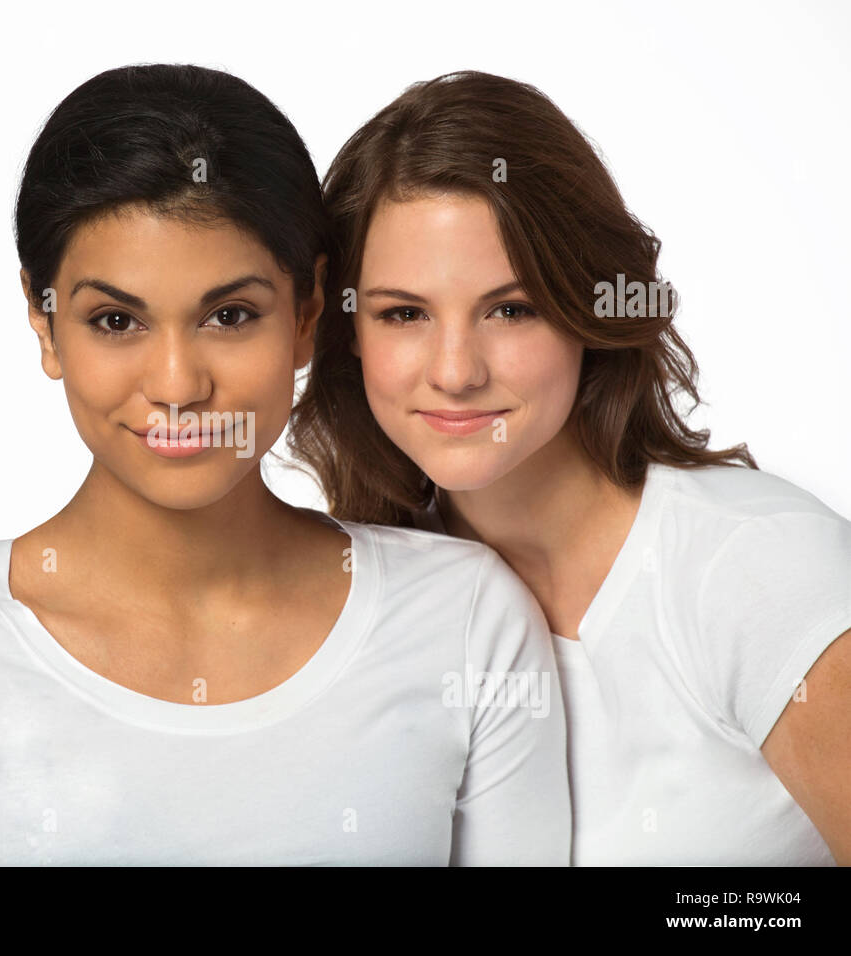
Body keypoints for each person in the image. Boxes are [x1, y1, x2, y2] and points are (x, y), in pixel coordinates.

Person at [0, 64, 568, 866]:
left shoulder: (465, 621)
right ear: (44, 326)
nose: (178, 385)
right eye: (116, 320)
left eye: (230, 315)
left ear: (308, 314)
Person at [289, 70, 851, 865]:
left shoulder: (756, 567)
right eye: (403, 313)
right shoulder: (371, 603)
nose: (455, 371)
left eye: (511, 309)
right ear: (346, 332)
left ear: (590, 309)